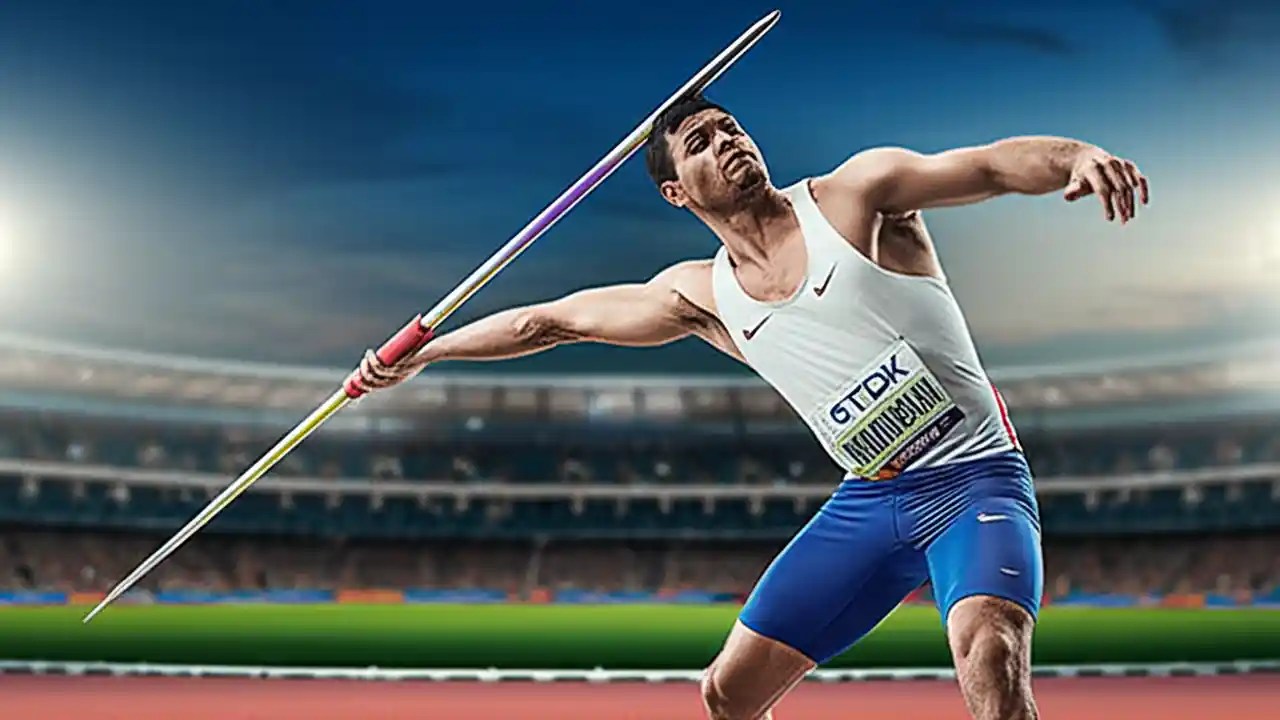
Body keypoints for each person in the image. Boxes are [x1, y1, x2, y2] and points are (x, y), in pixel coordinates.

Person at [350, 94, 1149, 720]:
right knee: (728, 695)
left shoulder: (854, 198)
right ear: (674, 191)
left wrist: (1076, 155)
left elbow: (987, 168)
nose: (729, 141)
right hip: (870, 502)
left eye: (731, 128)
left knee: (989, 654)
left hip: (975, 482)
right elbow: (547, 321)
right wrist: (424, 353)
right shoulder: (702, 295)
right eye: (701, 142)